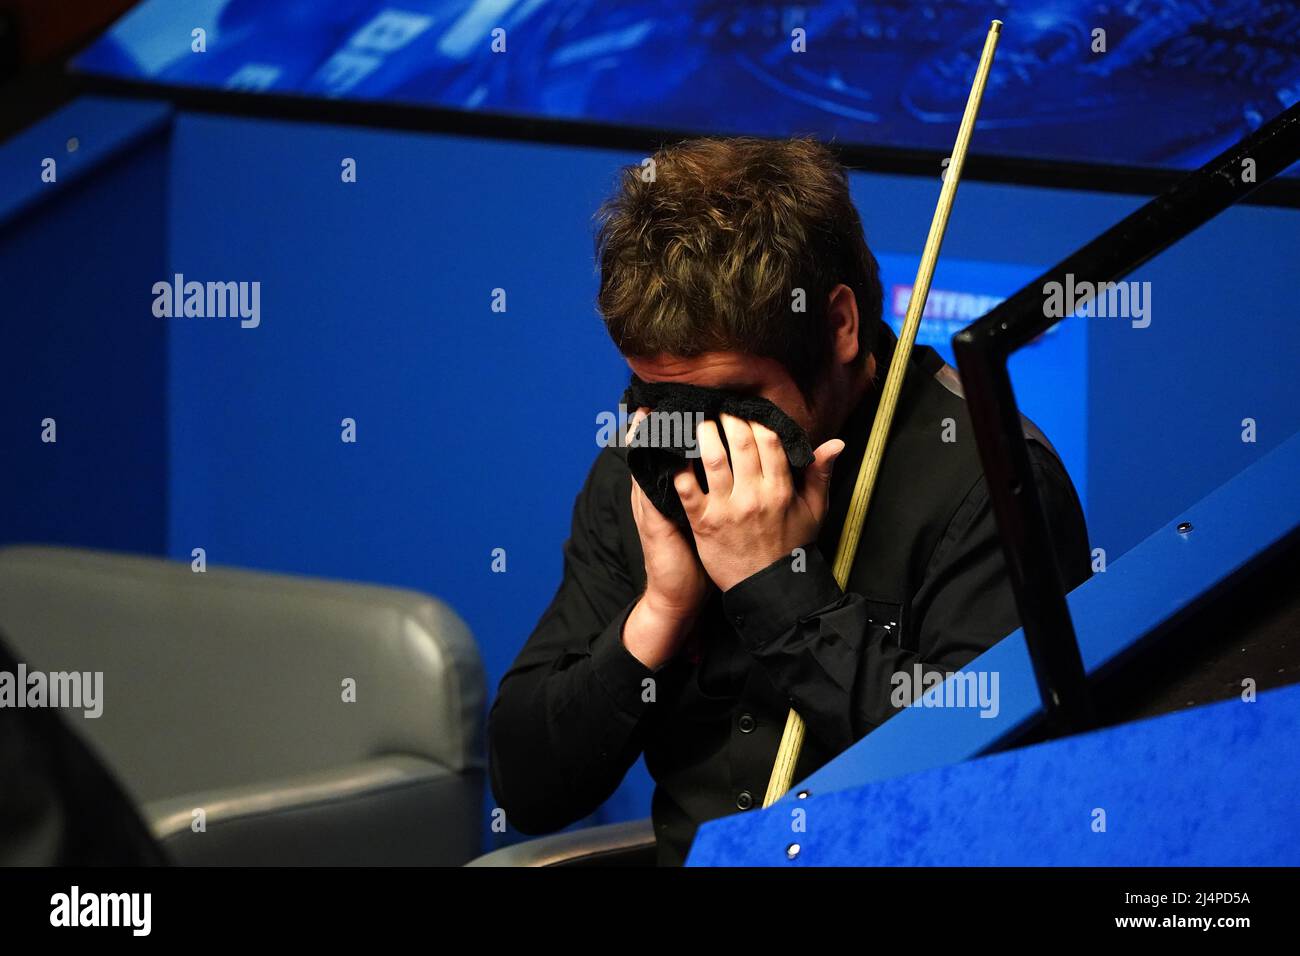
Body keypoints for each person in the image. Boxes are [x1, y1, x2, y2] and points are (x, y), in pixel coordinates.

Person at [488, 137, 1091, 866]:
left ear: (837, 325)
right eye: (661, 398)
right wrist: (660, 614)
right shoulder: (651, 460)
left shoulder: (989, 482)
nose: (703, 448)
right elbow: (529, 788)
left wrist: (779, 593)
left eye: (739, 403)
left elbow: (997, 801)